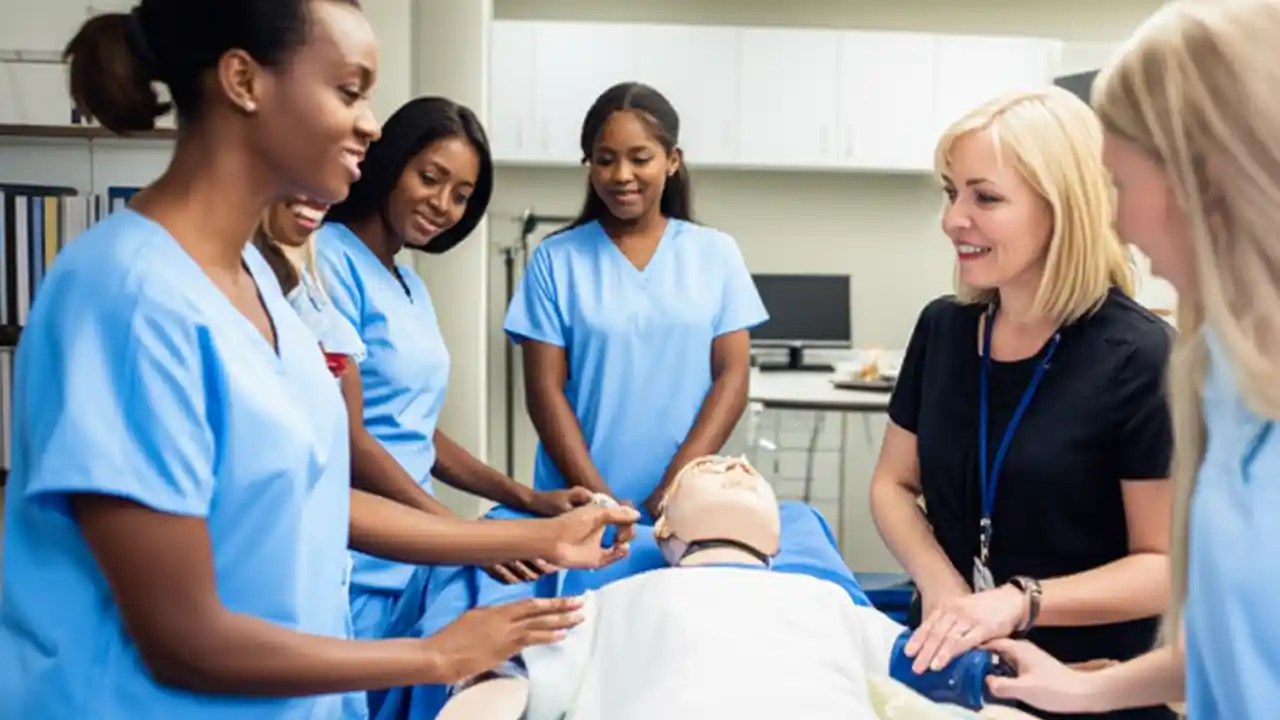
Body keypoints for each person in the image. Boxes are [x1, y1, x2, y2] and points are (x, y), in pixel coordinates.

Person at [0, 3, 638, 718]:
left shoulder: (260, 285)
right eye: (349, 89)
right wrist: (438, 654)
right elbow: (179, 638)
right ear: (244, 80)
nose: (370, 123)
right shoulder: (125, 295)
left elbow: (317, 498)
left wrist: (541, 533)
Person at [980, 1, 1280, 717]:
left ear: (1203, 180)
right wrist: (1087, 687)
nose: (1113, 219)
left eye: (1120, 183)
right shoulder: (1219, 372)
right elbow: (1233, 645)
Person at [867, 88, 1175, 719]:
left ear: (1062, 209)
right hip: (951, 672)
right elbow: (893, 485)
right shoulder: (944, 330)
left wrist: (1017, 602)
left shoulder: (1140, 356)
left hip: (1091, 682)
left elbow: (1163, 566)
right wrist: (948, 591)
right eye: (951, 192)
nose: (954, 218)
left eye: (986, 197)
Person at [437, 456, 1038, 720]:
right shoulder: (609, 601)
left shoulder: (826, 602)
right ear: (663, 527)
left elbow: (940, 671)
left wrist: (1013, 676)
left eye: (749, 473)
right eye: (713, 468)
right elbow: (507, 682)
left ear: (779, 539)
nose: (740, 465)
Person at [314, 97, 591, 642]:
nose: (442, 204)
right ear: (391, 161)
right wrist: (457, 532)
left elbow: (414, 429)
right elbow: (347, 438)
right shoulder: (330, 260)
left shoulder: (408, 282)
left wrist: (525, 499)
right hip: (361, 556)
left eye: (461, 195)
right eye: (430, 178)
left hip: (413, 551)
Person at [503, 81, 769, 522]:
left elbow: (732, 376)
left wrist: (675, 486)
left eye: (640, 158)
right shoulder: (555, 259)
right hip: (576, 504)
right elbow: (544, 390)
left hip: (686, 505)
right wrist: (599, 500)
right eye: (605, 160)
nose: (621, 174)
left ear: (672, 161)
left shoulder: (716, 253)